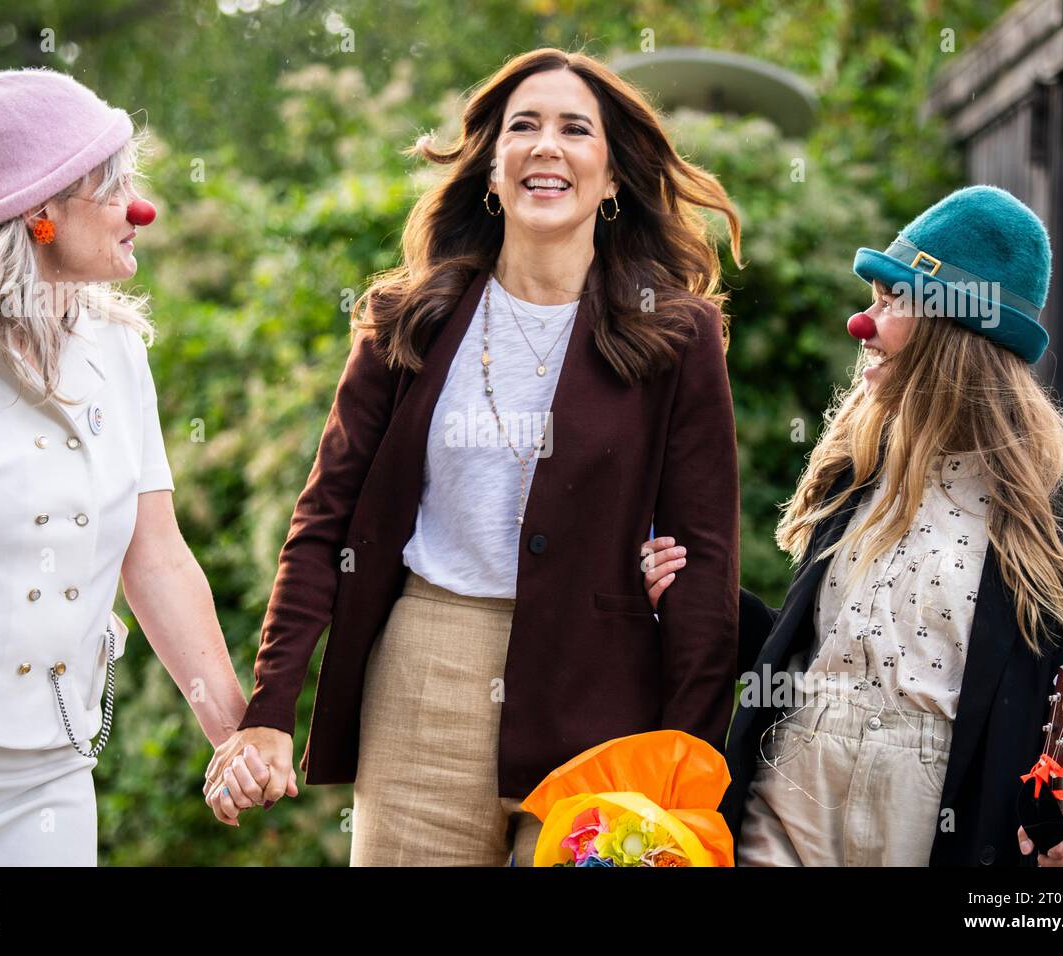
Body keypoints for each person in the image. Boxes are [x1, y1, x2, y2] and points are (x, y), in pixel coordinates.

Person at [203, 48, 743, 866]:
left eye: (575, 129)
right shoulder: (406, 319)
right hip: (425, 685)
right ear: (492, 169)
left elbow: (703, 567)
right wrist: (270, 709)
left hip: (602, 703)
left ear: (612, 178)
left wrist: (687, 772)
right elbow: (324, 523)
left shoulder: (676, 334)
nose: (546, 145)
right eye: (523, 126)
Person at [641, 185, 1063, 866]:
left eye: (889, 301)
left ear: (954, 331)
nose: (861, 324)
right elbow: (813, 646)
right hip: (794, 780)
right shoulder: (855, 468)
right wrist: (699, 595)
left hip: (932, 812)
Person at [0, 68, 257, 865]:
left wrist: (235, 734)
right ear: (41, 213)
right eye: (114, 187)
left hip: (49, 780)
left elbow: (156, 557)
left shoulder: (120, 353)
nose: (141, 209)